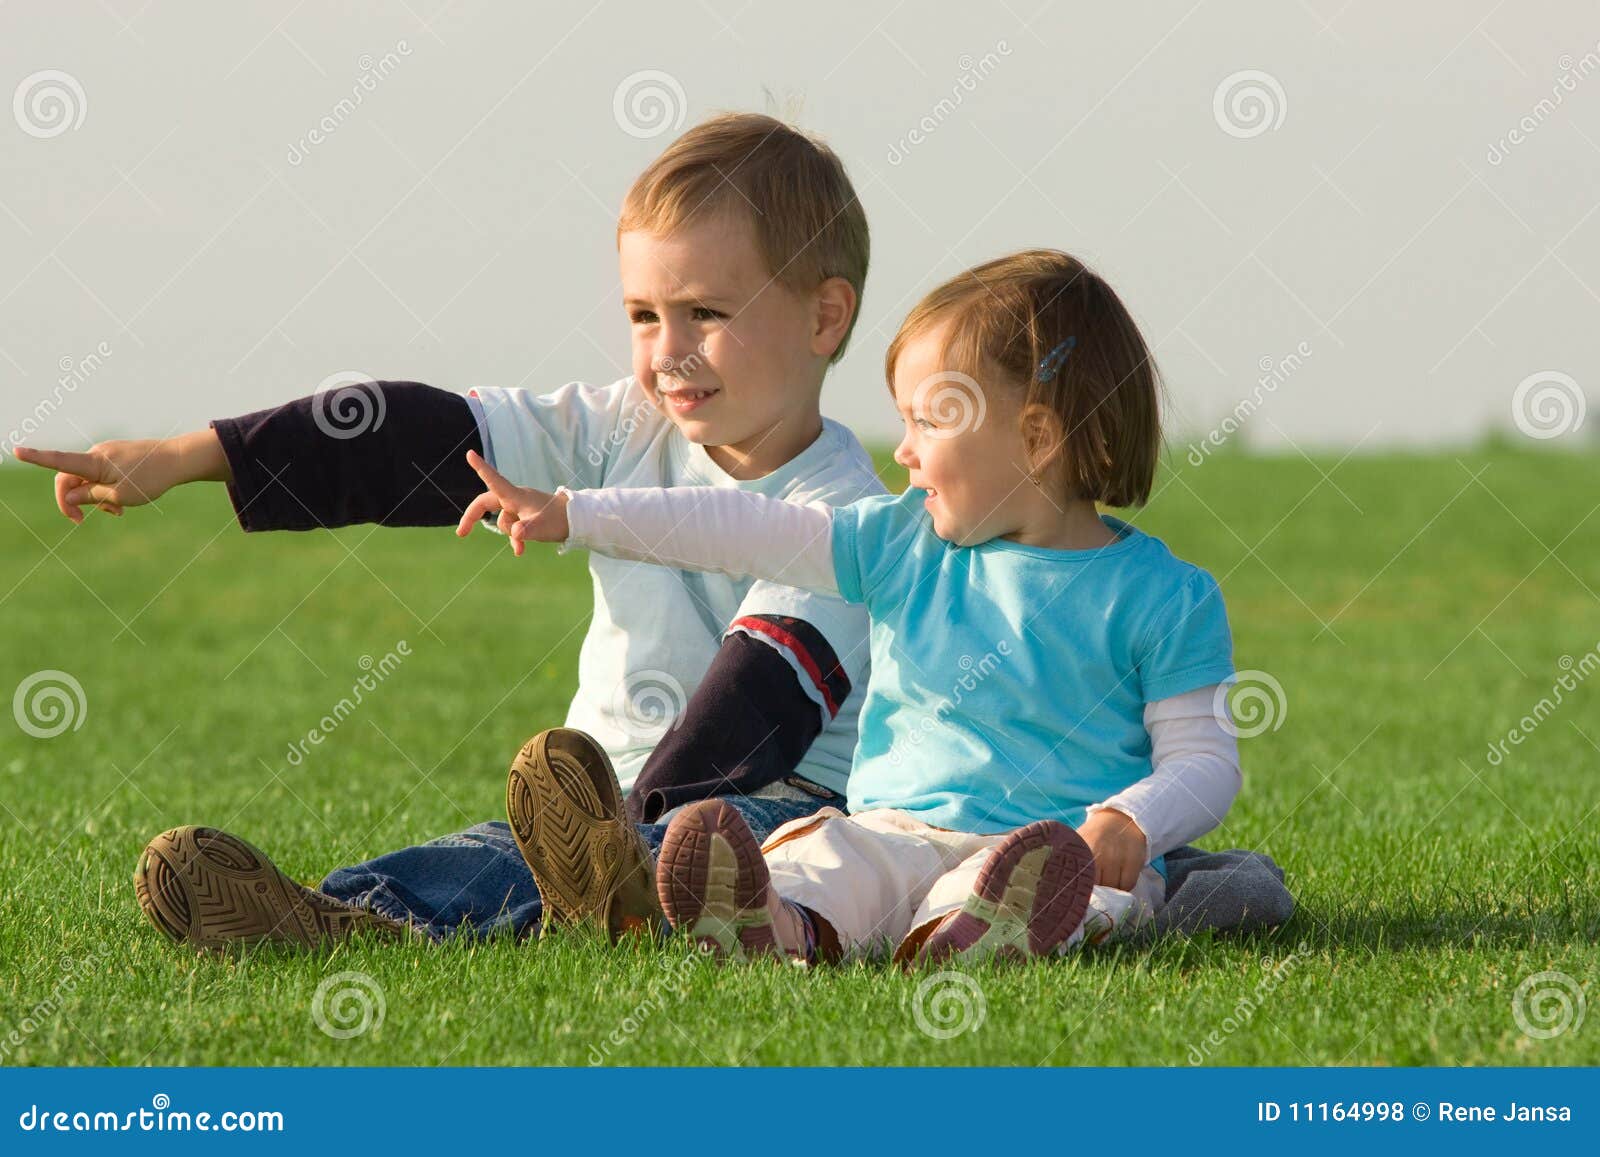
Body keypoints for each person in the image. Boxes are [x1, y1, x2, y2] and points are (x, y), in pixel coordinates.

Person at [13, 112, 882, 947]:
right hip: (596, 808)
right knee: (486, 855)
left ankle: (623, 891)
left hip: (773, 810)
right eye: (644, 315)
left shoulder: (846, 518)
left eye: (707, 313)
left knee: (706, 850)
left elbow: (755, 701)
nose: (665, 352)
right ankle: (348, 915)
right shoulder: (621, 427)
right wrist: (191, 456)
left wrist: (628, 829)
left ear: (824, 316)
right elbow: (409, 437)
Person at [460, 248, 1243, 964]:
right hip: (892, 830)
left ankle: (976, 930)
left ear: (1036, 439)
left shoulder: (1164, 596)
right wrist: (576, 513)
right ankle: (774, 926)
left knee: (1078, 892)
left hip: (1049, 849)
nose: (903, 451)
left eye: (927, 422)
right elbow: (738, 528)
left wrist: (1131, 820)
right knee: (826, 860)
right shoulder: (898, 543)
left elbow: (1204, 760)